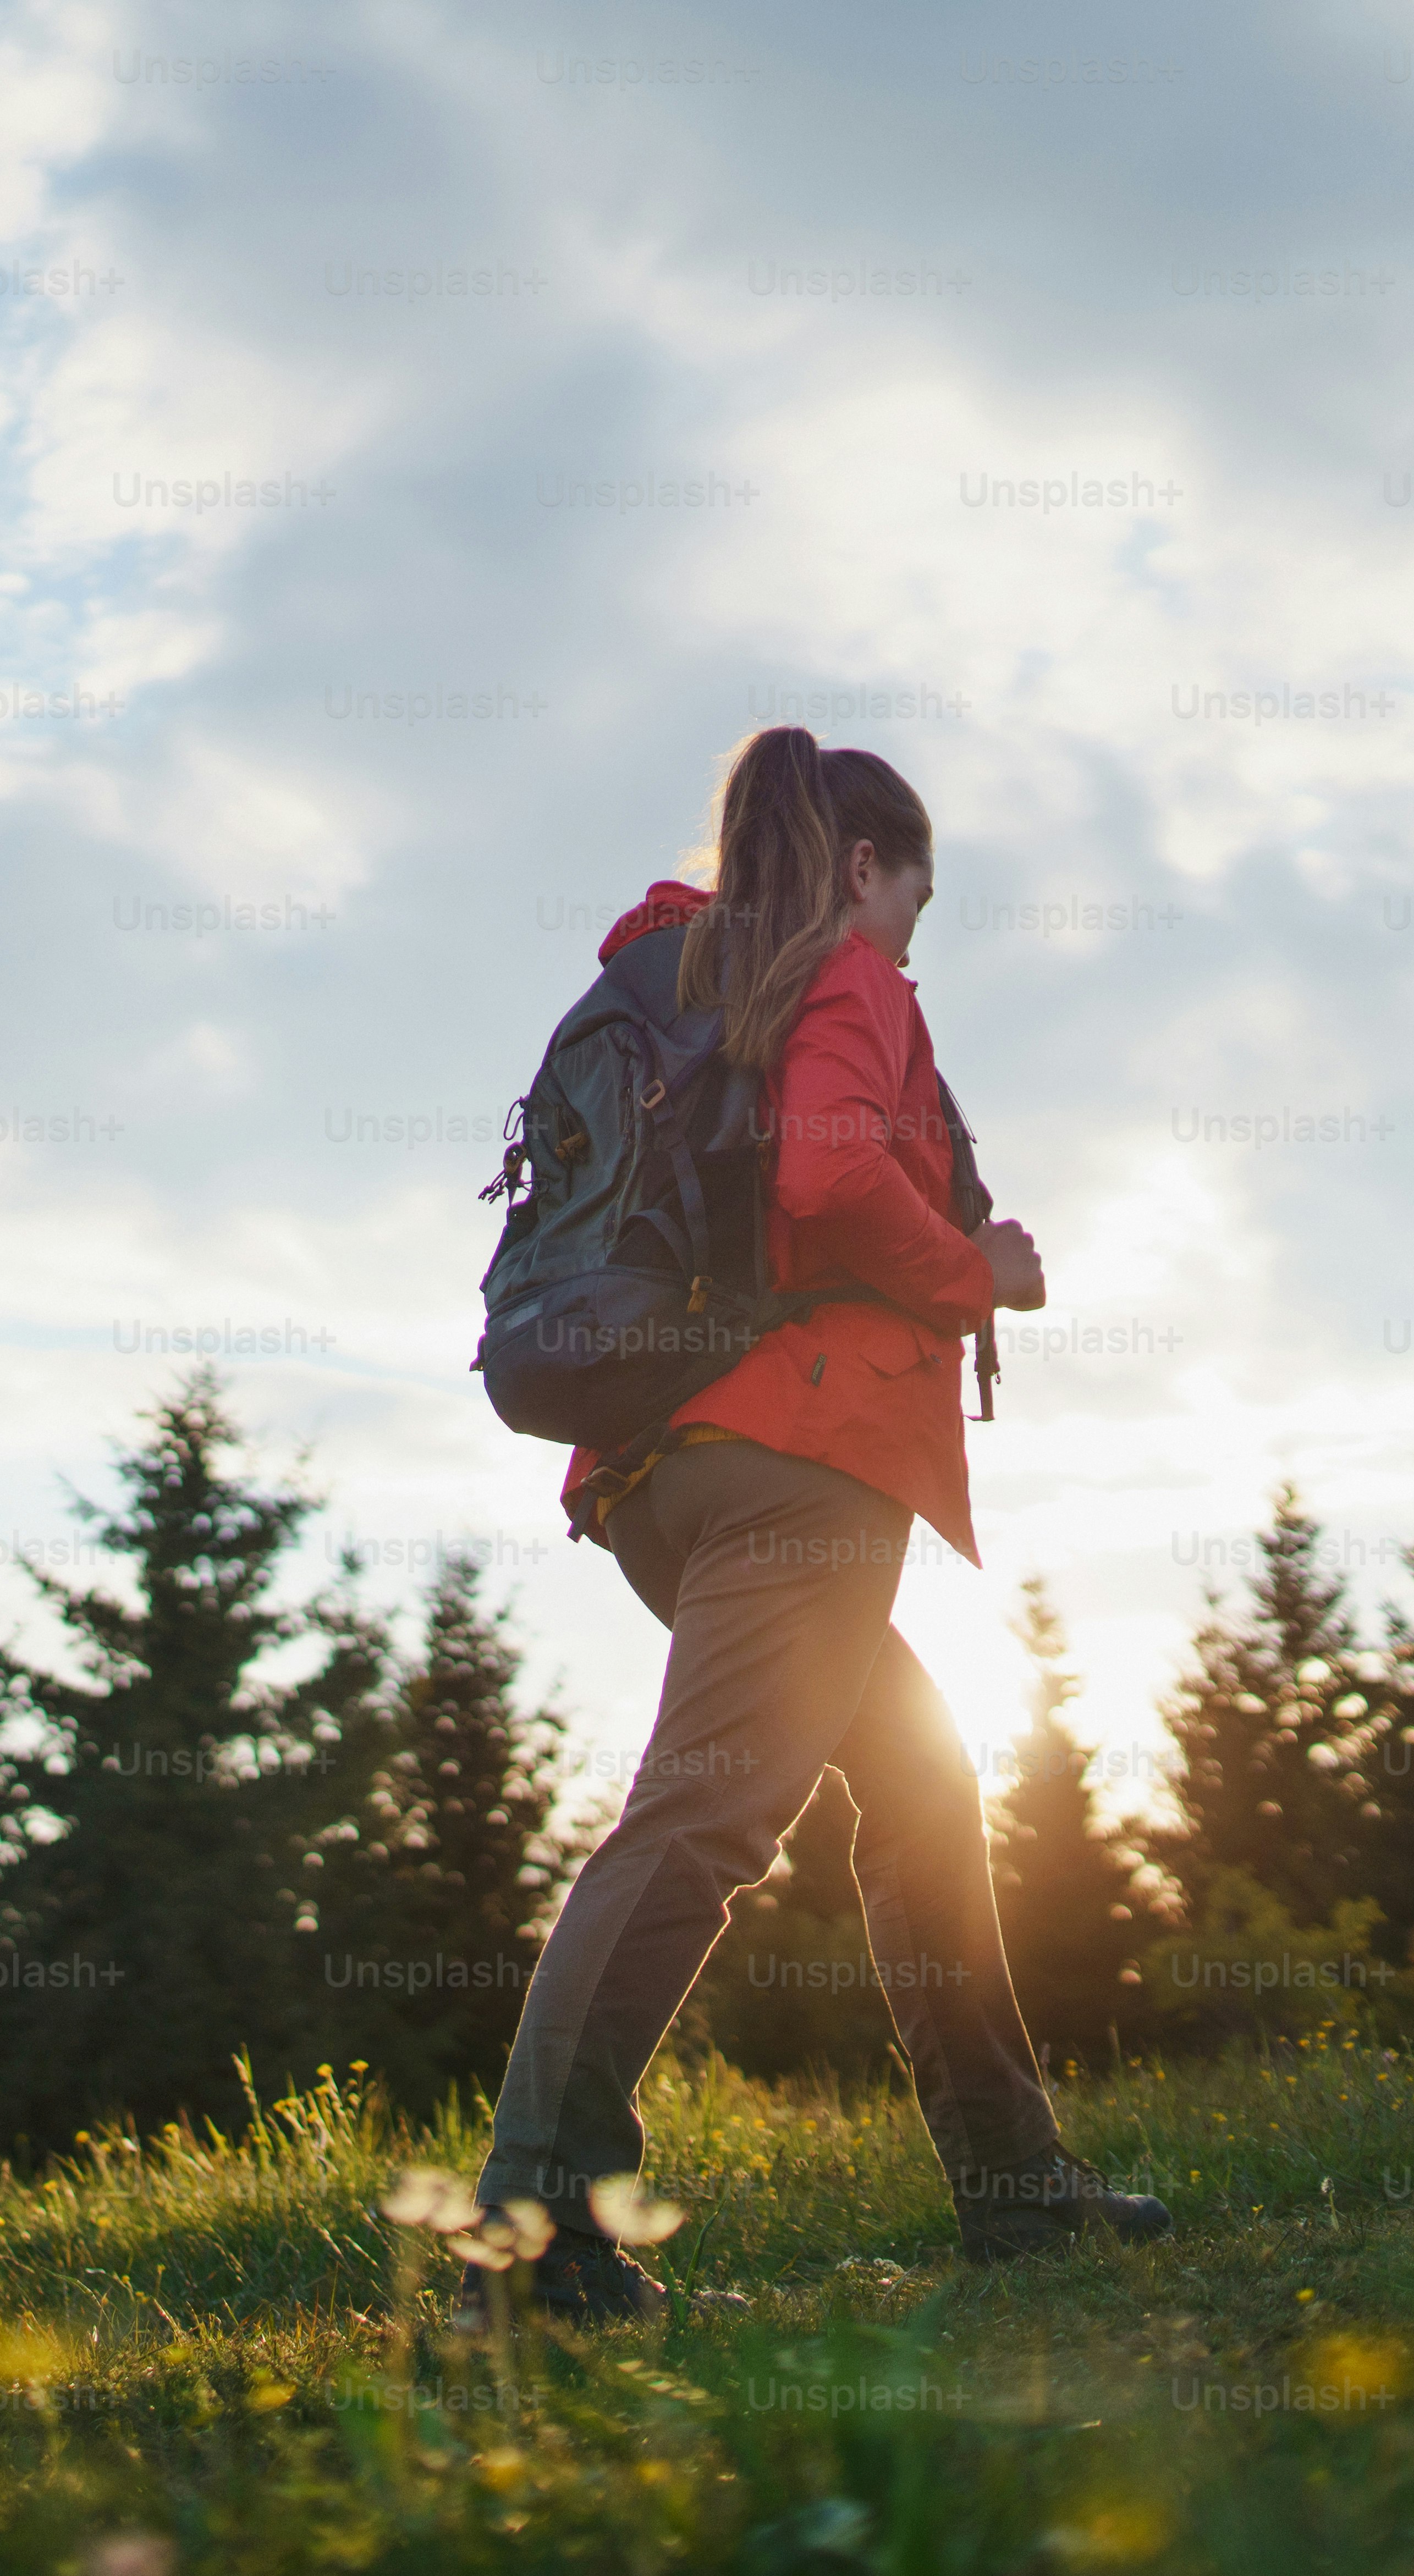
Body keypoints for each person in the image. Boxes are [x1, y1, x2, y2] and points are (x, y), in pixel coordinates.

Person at [469, 726, 1169, 2323]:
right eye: (919, 897)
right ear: (867, 868)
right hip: (794, 1458)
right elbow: (831, 1178)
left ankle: (1012, 2182)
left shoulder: (676, 974)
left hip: (655, 1469)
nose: (916, 933)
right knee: (705, 1821)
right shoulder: (837, 973)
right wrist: (973, 1267)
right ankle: (533, 2240)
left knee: (922, 1786)